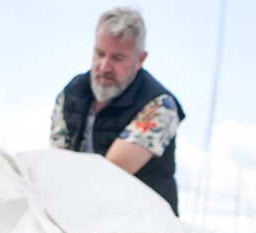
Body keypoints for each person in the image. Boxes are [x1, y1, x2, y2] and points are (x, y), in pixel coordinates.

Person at [51, 7, 185, 215]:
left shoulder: (160, 105)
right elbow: (56, 165)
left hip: (145, 226)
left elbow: (111, 174)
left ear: (141, 59)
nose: (104, 66)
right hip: (78, 214)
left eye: (117, 58)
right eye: (100, 53)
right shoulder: (71, 95)